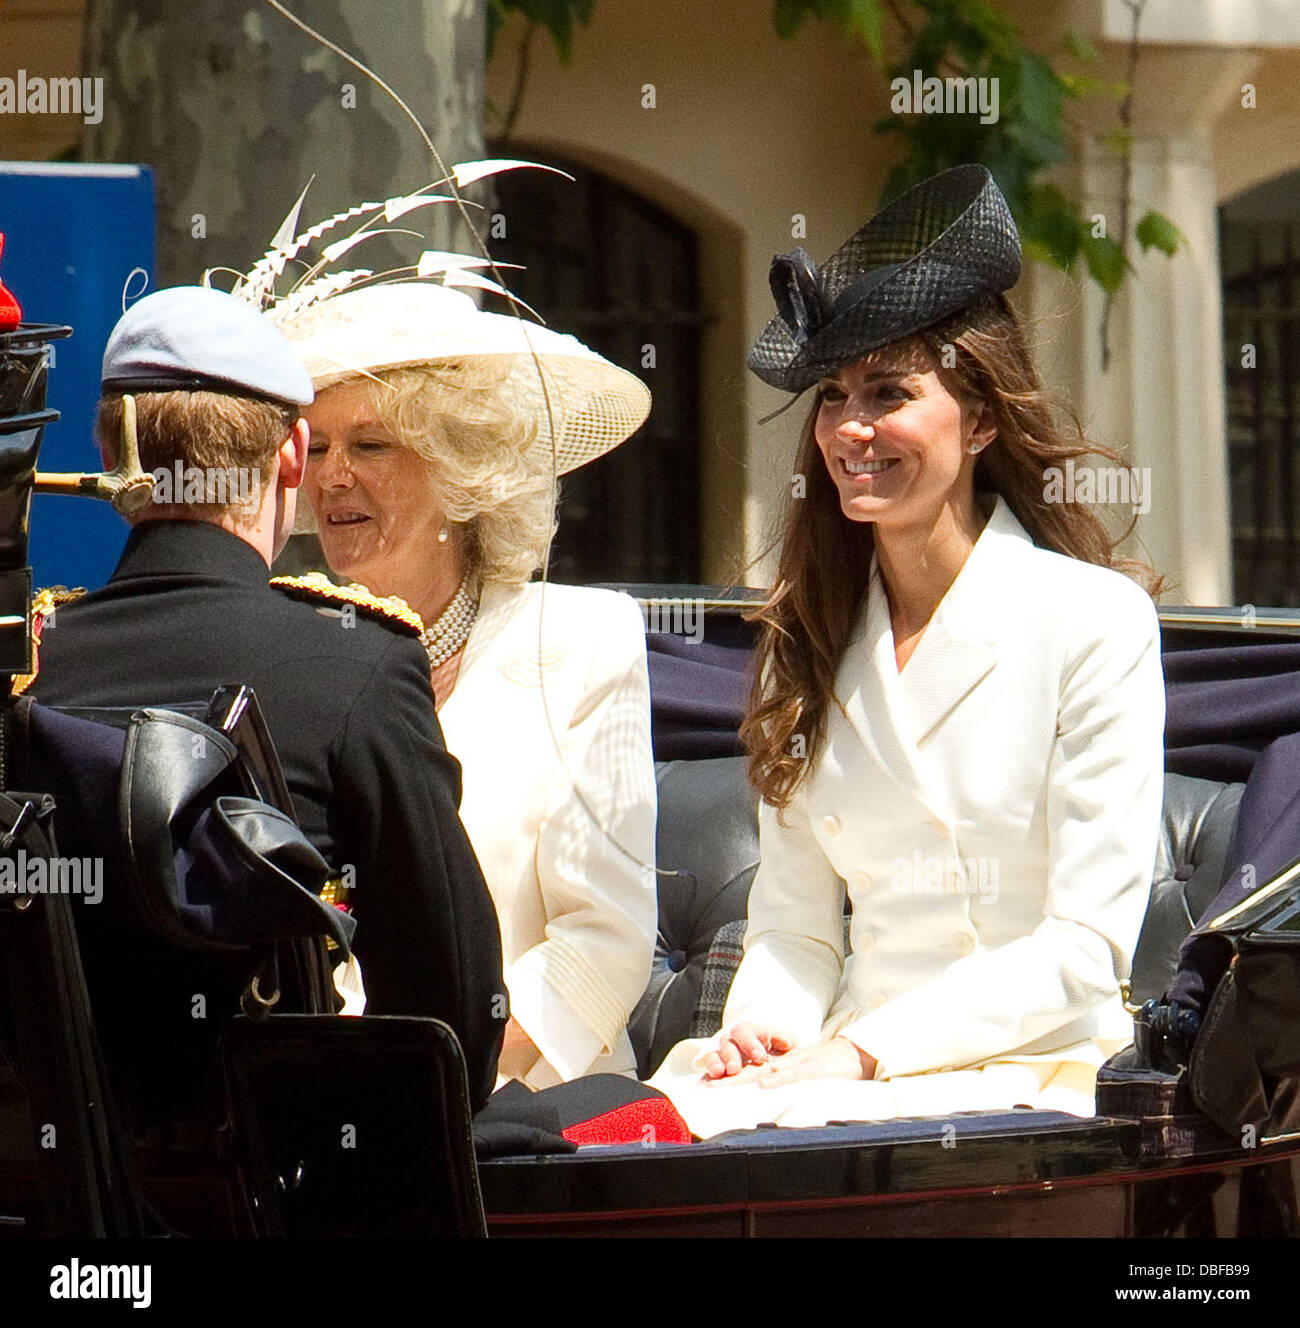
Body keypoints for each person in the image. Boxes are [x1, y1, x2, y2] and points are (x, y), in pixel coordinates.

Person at [649, 164, 1166, 1138]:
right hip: (837, 1078)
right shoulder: (802, 641)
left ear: (977, 417)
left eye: (887, 392)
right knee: (629, 1136)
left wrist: (864, 1050)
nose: (850, 428)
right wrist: (760, 1030)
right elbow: (798, 926)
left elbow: (1083, 947)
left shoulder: (1094, 622)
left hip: (1033, 1071)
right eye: (833, 394)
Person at [31, 285, 506, 1111]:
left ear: (114, 457)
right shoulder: (356, 660)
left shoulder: (33, 665)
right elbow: (454, 1013)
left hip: (54, 1201)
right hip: (286, 1196)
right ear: (291, 453)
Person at [277, 282, 658, 1089]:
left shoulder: (583, 643)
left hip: (535, 1109)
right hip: (324, 1105)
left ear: (460, 467)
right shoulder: (289, 646)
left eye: (371, 446)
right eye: (317, 448)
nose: (333, 477)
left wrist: (424, 1072)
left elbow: (604, 943)